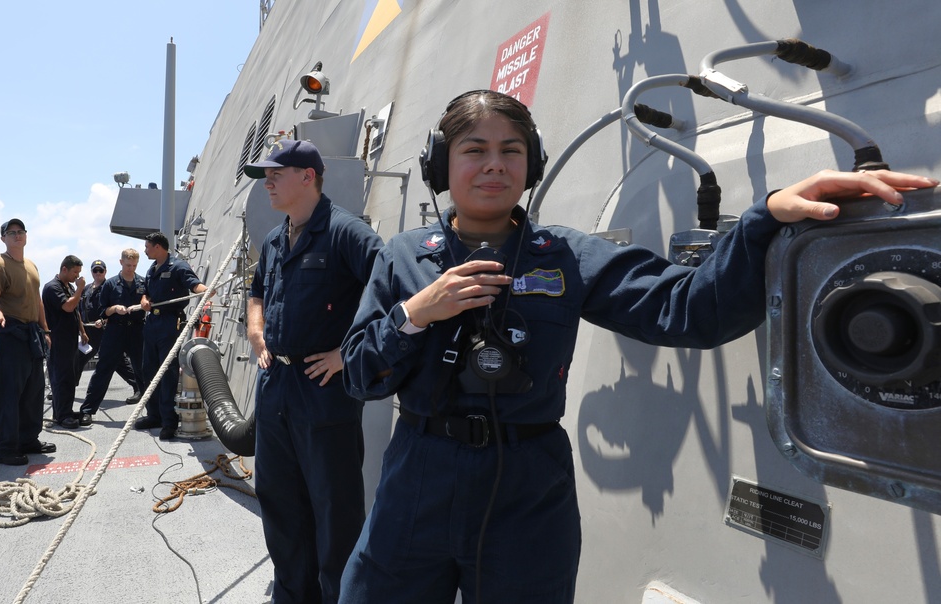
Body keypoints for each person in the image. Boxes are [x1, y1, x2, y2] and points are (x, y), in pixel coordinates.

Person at [337, 90, 940, 603]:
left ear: (533, 162)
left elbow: (686, 311)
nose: (494, 165)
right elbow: (362, 378)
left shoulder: (566, 256)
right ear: (442, 165)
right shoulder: (404, 259)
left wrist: (767, 221)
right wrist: (415, 314)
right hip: (418, 474)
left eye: (510, 150)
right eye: (475, 150)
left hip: (526, 483)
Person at [244, 139, 384, 604]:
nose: (267, 181)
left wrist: (348, 353)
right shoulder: (273, 237)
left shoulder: (347, 232)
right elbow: (256, 291)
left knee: (334, 511)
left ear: (308, 177)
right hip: (276, 387)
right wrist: (256, 330)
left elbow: (394, 290)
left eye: (276, 173)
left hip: (323, 392)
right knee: (279, 503)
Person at [0, 218, 56, 466]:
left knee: (33, 391)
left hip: (32, 334)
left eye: (20, 231)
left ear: (26, 235)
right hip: (10, 333)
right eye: (11, 232)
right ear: (3, 238)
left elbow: (38, 301)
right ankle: (4, 448)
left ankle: (27, 439)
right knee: (9, 393)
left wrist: (45, 330)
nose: (16, 235)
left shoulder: (31, 265)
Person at [138, 232, 207, 440]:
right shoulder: (152, 269)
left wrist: (205, 290)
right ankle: (154, 415)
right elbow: (146, 292)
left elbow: (193, 284)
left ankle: (169, 422)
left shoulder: (178, 266)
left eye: (148, 246)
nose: (145, 250)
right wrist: (144, 300)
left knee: (167, 373)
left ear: (158, 247)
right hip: (152, 323)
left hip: (170, 323)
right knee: (148, 370)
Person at [80, 249, 148, 423]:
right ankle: (87, 410)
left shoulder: (142, 283)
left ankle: (154, 412)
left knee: (143, 370)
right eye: (128, 265)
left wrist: (145, 304)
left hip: (137, 330)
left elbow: (150, 302)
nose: (131, 269)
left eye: (134, 265)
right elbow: (103, 311)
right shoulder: (110, 285)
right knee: (103, 370)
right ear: (121, 262)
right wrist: (115, 308)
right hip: (115, 330)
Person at [41, 255, 88, 429]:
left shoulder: (67, 287)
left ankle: (65, 410)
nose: (77, 276)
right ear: (64, 270)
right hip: (58, 340)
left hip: (69, 340)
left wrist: (82, 330)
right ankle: (62, 415)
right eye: (75, 272)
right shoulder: (52, 287)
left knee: (69, 377)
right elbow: (68, 306)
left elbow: (75, 311)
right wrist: (80, 289)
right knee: (60, 378)